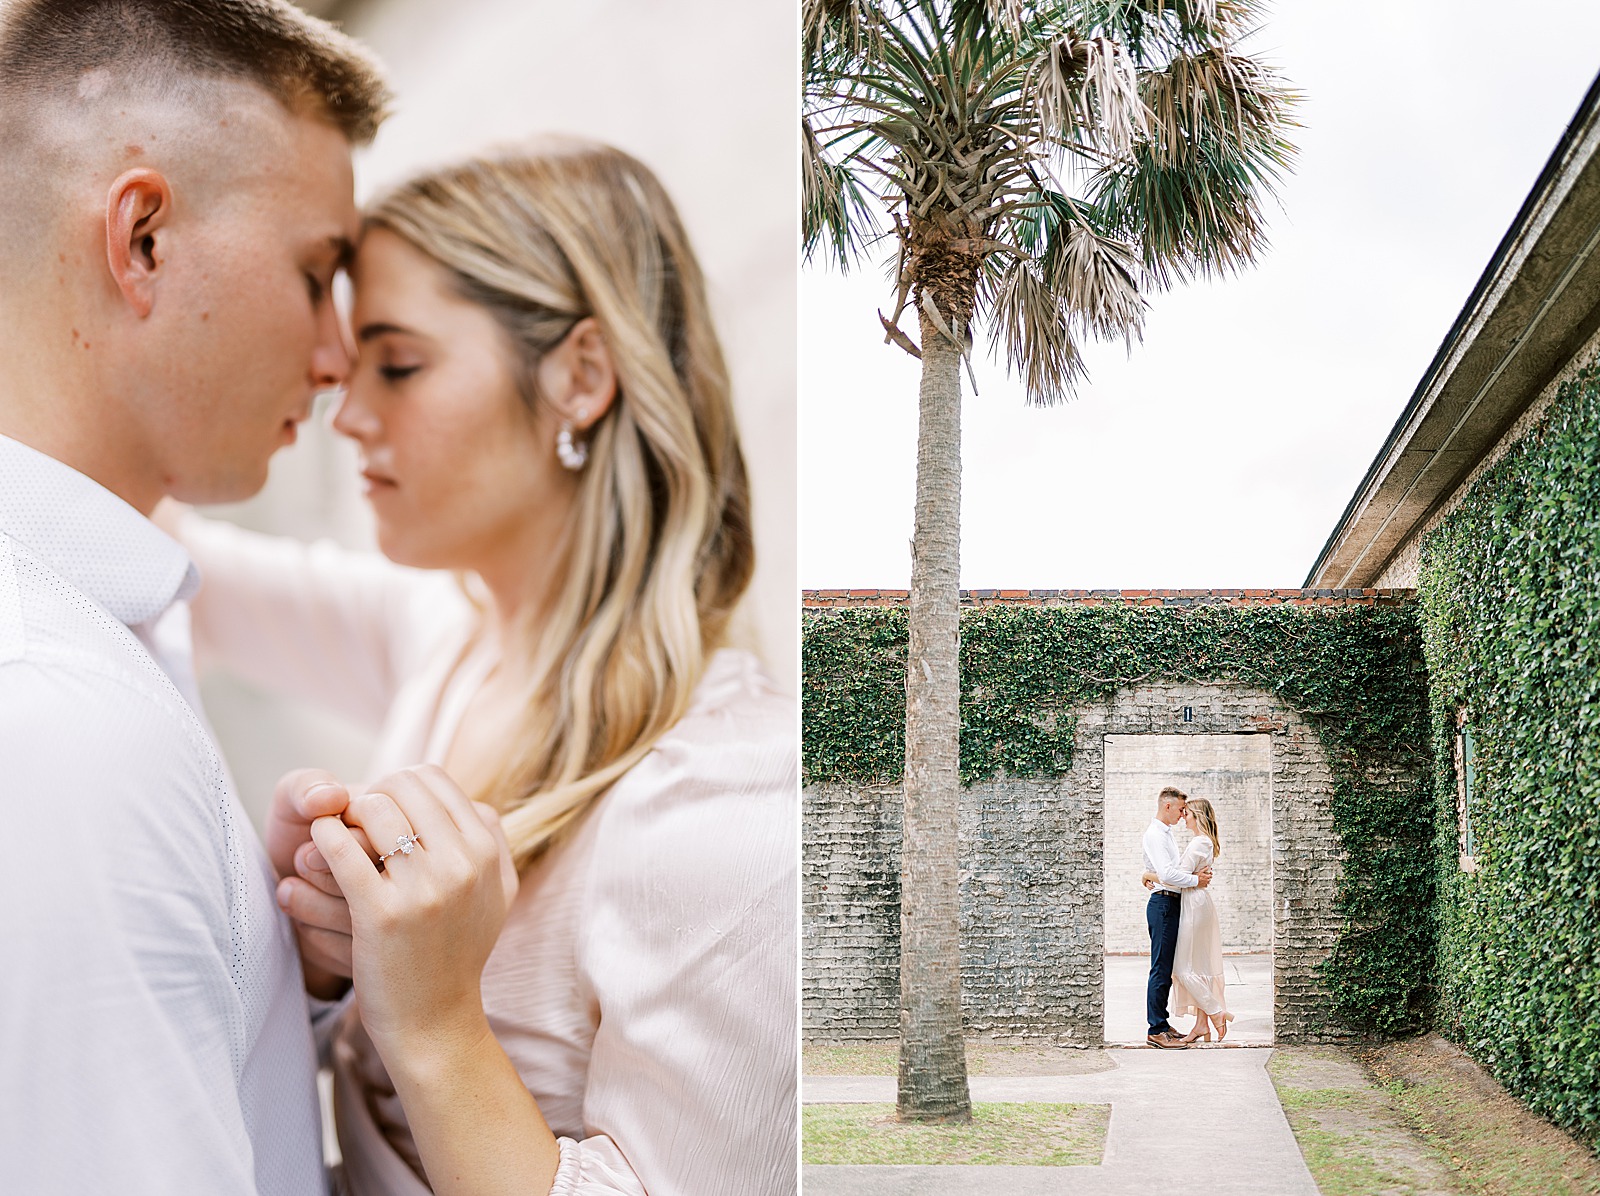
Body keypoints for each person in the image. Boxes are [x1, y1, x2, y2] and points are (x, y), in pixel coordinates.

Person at [167, 139, 796, 1195]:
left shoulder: (727, 803)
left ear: (580, 377)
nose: (349, 413)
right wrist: (322, 956)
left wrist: (436, 1020)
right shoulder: (448, 633)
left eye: (398, 364)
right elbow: (182, 564)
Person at [0, 2, 388, 1191]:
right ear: (145, 239)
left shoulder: (101, 627)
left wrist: (279, 966)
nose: (336, 357)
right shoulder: (63, 718)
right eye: (317, 273)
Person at [1140, 786, 1212, 1048]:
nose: (1183, 815)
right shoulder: (1156, 835)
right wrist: (1197, 880)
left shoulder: (1166, 835)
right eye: (1181, 809)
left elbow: (1163, 871)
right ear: (1167, 806)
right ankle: (1156, 1030)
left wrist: (1149, 875)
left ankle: (1163, 1022)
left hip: (1171, 902)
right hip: (1163, 905)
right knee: (1160, 968)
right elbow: (1169, 876)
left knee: (1167, 969)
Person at [1160, 798, 1235, 1043]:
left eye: (1187, 813)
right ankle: (1201, 1026)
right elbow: (1185, 876)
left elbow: (1174, 879)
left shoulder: (1198, 842)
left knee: (1181, 969)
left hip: (1194, 904)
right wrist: (1191, 876)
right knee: (1200, 968)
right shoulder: (1204, 842)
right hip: (1197, 901)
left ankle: (1215, 1012)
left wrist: (1150, 875)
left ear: (1198, 817)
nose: (1184, 816)